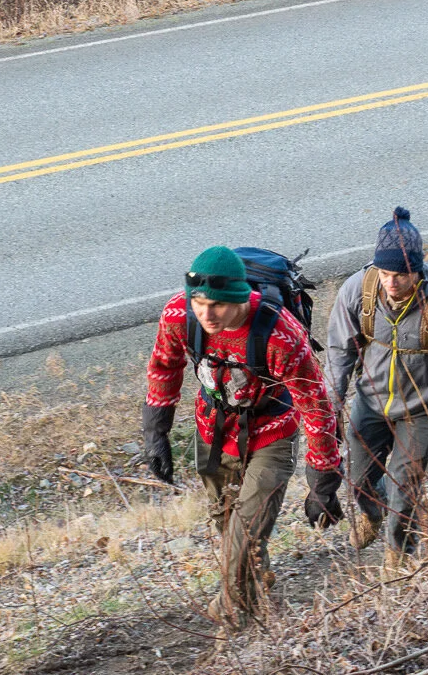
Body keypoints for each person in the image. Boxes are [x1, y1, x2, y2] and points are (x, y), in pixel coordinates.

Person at [143, 246, 341, 625]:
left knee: (243, 538)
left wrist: (322, 481)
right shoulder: (178, 315)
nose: (205, 313)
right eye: (198, 302)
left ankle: (233, 626)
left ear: (236, 298)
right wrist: (157, 433)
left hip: (272, 435)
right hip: (214, 430)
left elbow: (315, 405)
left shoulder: (281, 334)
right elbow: (163, 366)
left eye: (216, 304)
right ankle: (258, 588)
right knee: (227, 524)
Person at [325, 208, 428, 570]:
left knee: (404, 490)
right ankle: (372, 514)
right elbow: (338, 353)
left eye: (401, 275)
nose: (391, 282)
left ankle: (398, 558)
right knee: (358, 480)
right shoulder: (357, 290)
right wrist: (331, 410)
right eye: (385, 273)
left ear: (418, 271)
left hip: (422, 411)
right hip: (371, 401)